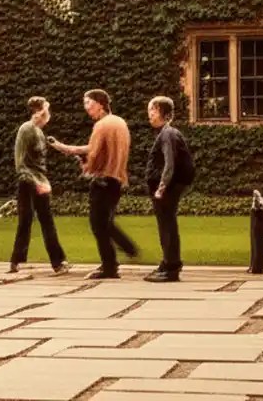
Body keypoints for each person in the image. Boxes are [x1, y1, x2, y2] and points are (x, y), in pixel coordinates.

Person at [51, 89, 139, 280]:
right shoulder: (120, 123)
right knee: (105, 222)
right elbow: (100, 149)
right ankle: (125, 250)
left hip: (102, 181)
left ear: (100, 103)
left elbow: (93, 153)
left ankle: (110, 266)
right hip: (116, 180)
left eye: (88, 103)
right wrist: (65, 148)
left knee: (98, 225)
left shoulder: (100, 126)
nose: (86, 107)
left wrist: (81, 160)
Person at [9, 97, 71, 276]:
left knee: (41, 221)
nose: (49, 114)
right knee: (29, 220)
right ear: (40, 112)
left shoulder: (38, 131)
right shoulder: (26, 129)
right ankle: (55, 262)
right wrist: (36, 183)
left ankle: (54, 261)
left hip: (39, 182)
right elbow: (20, 162)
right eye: (47, 110)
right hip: (29, 182)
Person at [144, 96, 194, 283]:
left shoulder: (168, 134)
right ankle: (167, 263)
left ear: (161, 112)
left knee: (167, 226)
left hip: (168, 187)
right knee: (166, 224)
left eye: (152, 110)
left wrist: (162, 187)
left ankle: (172, 266)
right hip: (168, 186)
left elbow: (170, 163)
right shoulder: (167, 133)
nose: (149, 114)